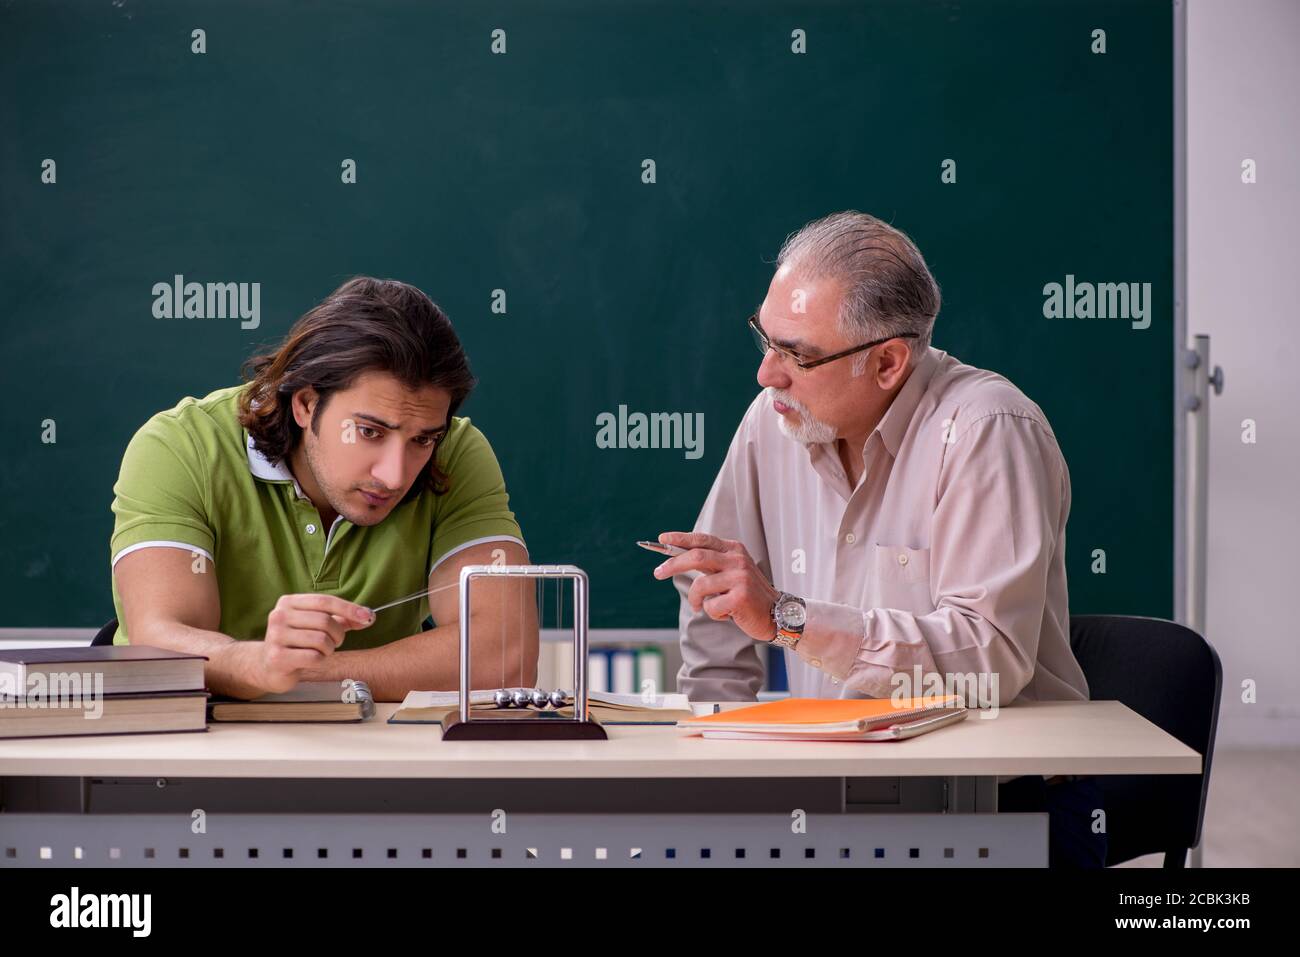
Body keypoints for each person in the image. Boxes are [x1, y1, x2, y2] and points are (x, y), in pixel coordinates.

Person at [655, 211, 1106, 867]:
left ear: (888, 361)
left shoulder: (987, 429)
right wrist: (723, 760)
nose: (767, 375)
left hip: (1000, 803)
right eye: (765, 340)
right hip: (835, 797)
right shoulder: (772, 420)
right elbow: (718, 596)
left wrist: (789, 616)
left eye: (798, 354)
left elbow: (991, 659)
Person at [110, 277, 536, 701]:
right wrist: (258, 664)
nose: (394, 475)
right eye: (369, 431)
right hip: (200, 751)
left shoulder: (456, 452)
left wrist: (297, 673)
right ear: (306, 404)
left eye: (422, 439)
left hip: (374, 750)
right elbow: (163, 646)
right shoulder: (181, 447)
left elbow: (504, 655)